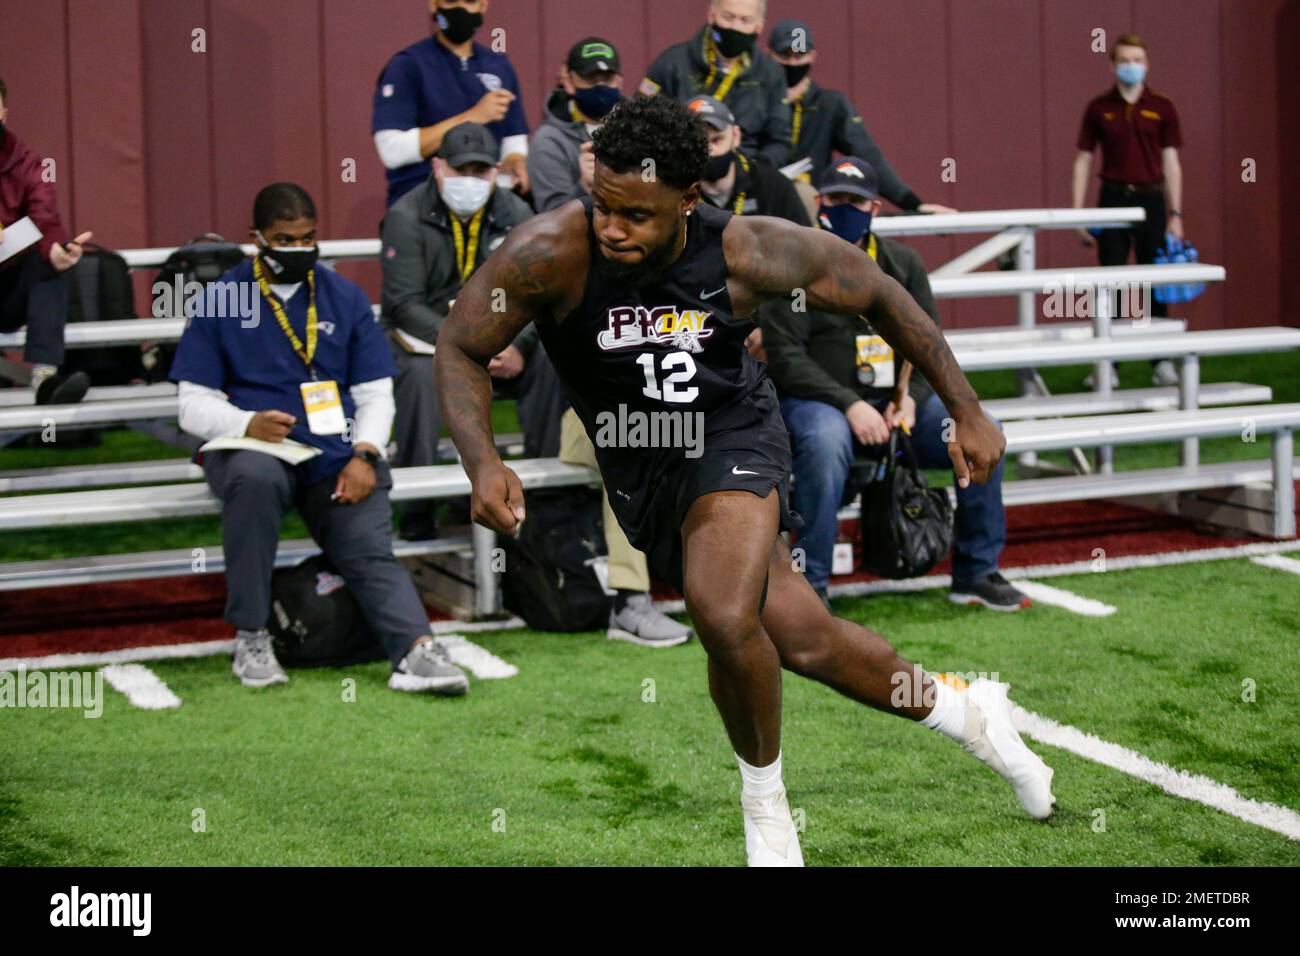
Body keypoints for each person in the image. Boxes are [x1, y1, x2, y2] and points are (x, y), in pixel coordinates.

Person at [434, 95, 1055, 866]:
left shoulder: (747, 249)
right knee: (806, 640)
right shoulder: (549, 251)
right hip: (639, 459)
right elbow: (459, 345)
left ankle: (765, 809)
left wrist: (966, 407)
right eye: (603, 206)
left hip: (733, 434)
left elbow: (880, 294)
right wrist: (482, 459)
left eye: (636, 214)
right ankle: (969, 716)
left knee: (722, 614)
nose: (613, 228)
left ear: (691, 200)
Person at [171, 183, 469, 696]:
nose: (298, 250)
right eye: (284, 240)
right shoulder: (223, 299)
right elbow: (191, 403)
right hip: (255, 447)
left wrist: (366, 453)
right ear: (256, 239)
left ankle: (415, 648)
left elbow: (375, 392)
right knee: (255, 480)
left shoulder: (343, 296)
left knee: (365, 537)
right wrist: (245, 424)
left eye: (307, 238)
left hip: (333, 450)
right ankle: (252, 633)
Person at [764, 158, 1028, 612]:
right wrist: (849, 405)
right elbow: (785, 357)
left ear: (875, 208)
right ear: (819, 202)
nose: (844, 208)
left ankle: (976, 572)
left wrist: (912, 402)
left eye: (855, 201)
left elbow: (930, 347)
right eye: (835, 199)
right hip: (820, 404)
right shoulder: (793, 264)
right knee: (825, 442)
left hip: (897, 404)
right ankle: (813, 588)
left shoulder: (902, 264)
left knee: (983, 430)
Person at [380, 122, 533, 541]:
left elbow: (538, 293)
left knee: (551, 365)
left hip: (498, 340)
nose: (469, 181)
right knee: (414, 379)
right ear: (437, 166)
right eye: (460, 170)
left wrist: (517, 344)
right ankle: (418, 510)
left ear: (496, 171)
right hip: (425, 342)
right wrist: (463, 347)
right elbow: (403, 305)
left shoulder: (517, 214)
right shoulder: (405, 216)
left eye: (480, 172)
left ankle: (547, 498)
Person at [1072, 32, 1184, 386]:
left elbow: (1171, 162)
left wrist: (1176, 214)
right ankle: (1109, 364)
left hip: (1150, 199)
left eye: (1137, 60)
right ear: (1113, 65)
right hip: (1113, 199)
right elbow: (1083, 160)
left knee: (1156, 281)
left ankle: (1160, 361)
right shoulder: (1099, 107)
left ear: (1146, 64)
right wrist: (1078, 214)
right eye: (1124, 61)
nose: (1131, 66)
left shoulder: (1162, 106)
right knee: (1113, 281)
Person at [765, 18, 956, 214]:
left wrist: (913, 203)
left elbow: (867, 155)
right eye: (784, 55)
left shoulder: (829, 104)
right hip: (757, 205)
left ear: (812, 56)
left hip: (810, 214)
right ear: (769, 55)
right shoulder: (754, 98)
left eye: (799, 56)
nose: (792, 63)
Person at [372, 0, 530, 208]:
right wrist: (472, 116)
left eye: (469, 1)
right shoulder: (407, 65)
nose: (460, 9)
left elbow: (514, 138)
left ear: (483, 5)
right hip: (421, 203)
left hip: (489, 203)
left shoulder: (499, 65)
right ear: (433, 4)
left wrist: (515, 159)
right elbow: (392, 151)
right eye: (451, 1)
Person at [0, 76, 94, 404]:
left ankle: (44, 379)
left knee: (49, 261)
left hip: (8, 291)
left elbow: (45, 218)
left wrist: (56, 250)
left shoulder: (28, 164)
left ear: (4, 112)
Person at [639, 0, 791, 167]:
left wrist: (754, 170)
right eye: (728, 17)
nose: (735, 27)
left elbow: (779, 141)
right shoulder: (672, 62)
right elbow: (641, 121)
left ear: (759, 27)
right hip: (680, 169)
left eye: (745, 20)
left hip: (746, 172)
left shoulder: (771, 74)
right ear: (711, 15)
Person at [529, 37, 625, 214]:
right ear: (570, 81)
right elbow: (550, 220)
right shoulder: (549, 141)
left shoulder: (640, 130)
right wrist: (584, 186)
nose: (600, 86)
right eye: (591, 79)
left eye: (607, 78)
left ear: (620, 81)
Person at [688, 94, 809, 225]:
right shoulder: (674, 191)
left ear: (736, 136)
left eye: (716, 140)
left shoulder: (771, 185)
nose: (709, 150)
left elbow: (805, 242)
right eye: (697, 141)